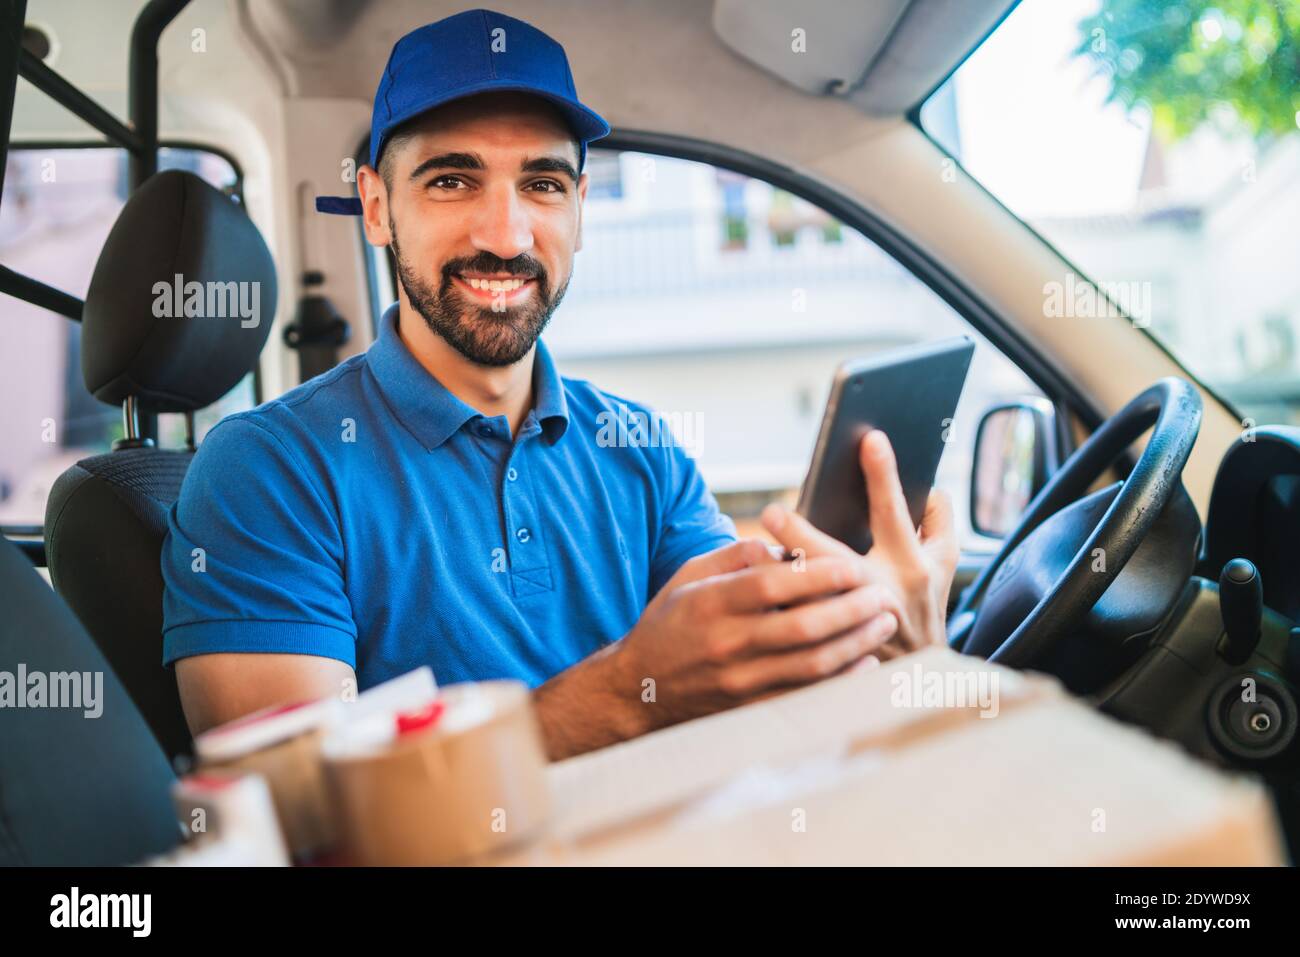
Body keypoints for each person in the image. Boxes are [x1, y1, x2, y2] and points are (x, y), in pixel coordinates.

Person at [162, 9, 958, 760]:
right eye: (450, 181)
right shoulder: (266, 471)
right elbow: (311, 814)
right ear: (375, 206)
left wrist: (887, 636)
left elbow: (736, 669)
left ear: (580, 208)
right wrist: (626, 697)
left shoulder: (640, 446)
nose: (504, 236)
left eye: (542, 184)